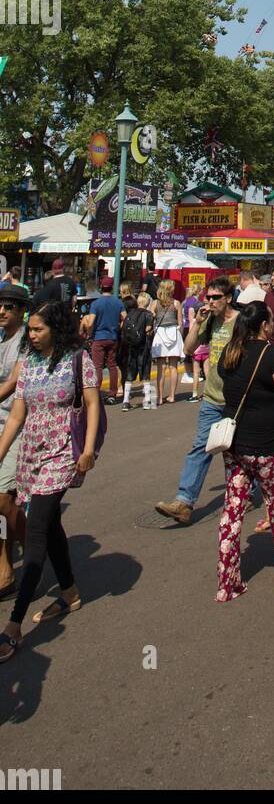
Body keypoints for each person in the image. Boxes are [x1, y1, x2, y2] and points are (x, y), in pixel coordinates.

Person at [0, 302, 101, 662]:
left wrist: (88, 450)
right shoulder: (27, 363)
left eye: (38, 329)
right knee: (51, 522)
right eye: (30, 330)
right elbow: (16, 415)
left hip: (63, 454)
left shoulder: (77, 359)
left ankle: (13, 625)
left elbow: (92, 405)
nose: (32, 335)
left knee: (37, 531)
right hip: (32, 453)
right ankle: (70, 592)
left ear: (55, 329)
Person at [215, 301, 274, 602]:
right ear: (265, 325)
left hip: (234, 444)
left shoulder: (230, 352)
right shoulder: (271, 354)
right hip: (266, 444)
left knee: (232, 509)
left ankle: (227, 582)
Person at [154, 277, 238, 526]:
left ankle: (261, 493)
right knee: (200, 447)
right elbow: (190, 350)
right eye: (208, 298)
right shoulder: (209, 320)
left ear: (228, 298)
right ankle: (184, 502)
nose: (210, 302)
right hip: (213, 397)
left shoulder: (242, 322)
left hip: (239, 398)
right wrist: (196, 324)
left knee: (244, 453)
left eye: (215, 298)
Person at [0, 284, 29, 600]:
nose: (2, 311)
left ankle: (32, 543)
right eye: (0, 305)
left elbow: (13, 382)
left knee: (3, 501)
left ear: (22, 311)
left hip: (16, 426)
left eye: (9, 306)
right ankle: (5, 570)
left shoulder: (25, 341)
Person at [84, 277, 126, 404]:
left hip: (98, 337)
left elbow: (90, 322)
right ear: (112, 288)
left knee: (97, 366)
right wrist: (119, 326)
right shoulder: (118, 303)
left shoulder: (96, 304)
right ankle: (112, 394)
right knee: (112, 365)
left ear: (101, 287)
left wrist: (89, 333)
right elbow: (126, 318)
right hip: (112, 338)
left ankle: (96, 393)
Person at [151, 279, 184, 405]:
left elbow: (151, 317)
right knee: (173, 367)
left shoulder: (155, 303)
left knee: (161, 368)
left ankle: (159, 397)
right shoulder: (176, 303)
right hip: (173, 334)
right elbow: (180, 323)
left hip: (160, 334)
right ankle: (172, 396)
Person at [120, 292, 155, 411]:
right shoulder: (149, 314)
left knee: (130, 375)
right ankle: (147, 400)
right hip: (144, 347)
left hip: (132, 347)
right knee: (145, 374)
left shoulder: (131, 313)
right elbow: (148, 329)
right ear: (148, 303)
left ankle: (125, 401)